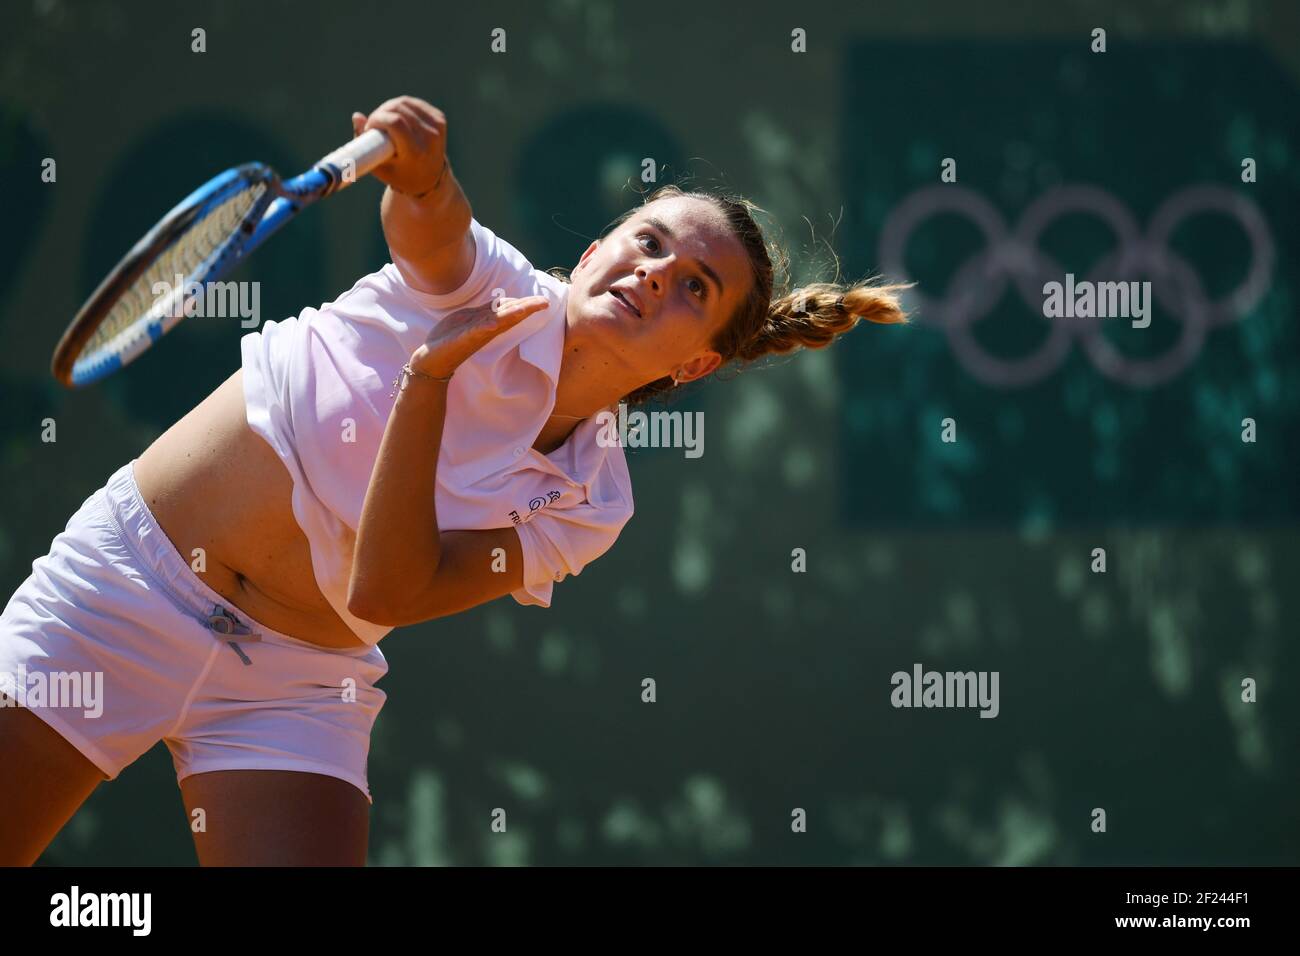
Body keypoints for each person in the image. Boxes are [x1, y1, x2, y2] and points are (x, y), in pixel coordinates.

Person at [0, 96, 909, 866]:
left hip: (295, 681)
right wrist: (424, 175)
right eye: (649, 241)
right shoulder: (484, 287)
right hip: (123, 588)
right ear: (594, 251)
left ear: (699, 364)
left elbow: (389, 588)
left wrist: (427, 383)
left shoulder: (595, 501)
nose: (657, 272)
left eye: (695, 287)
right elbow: (434, 226)